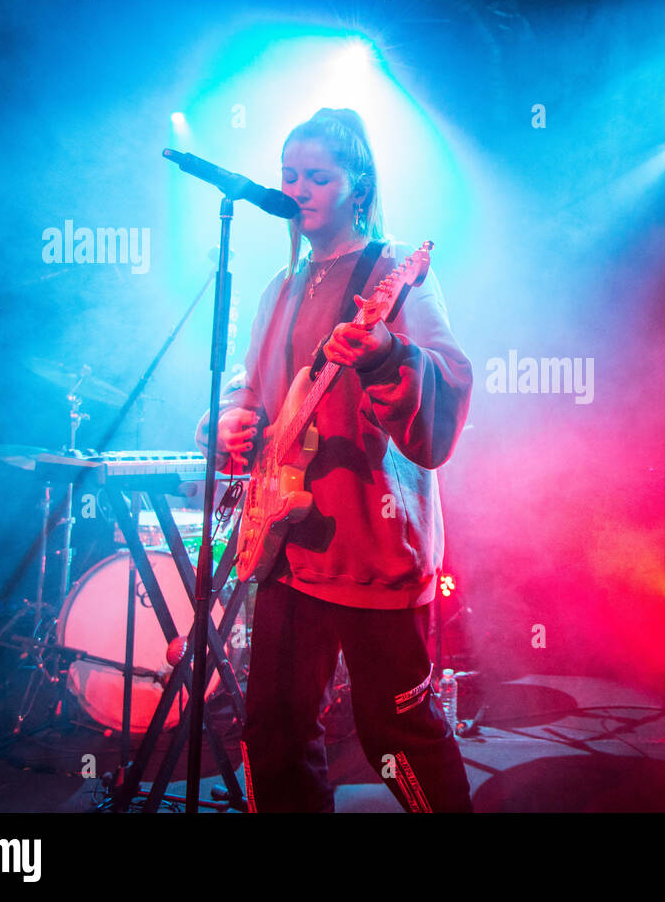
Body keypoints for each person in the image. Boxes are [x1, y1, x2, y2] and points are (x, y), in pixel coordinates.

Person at [195, 107, 474, 812]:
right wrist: (229, 425)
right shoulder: (279, 289)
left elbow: (447, 384)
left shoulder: (394, 272)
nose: (299, 189)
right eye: (290, 176)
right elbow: (253, 396)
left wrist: (384, 356)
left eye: (319, 176)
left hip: (371, 544)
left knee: (393, 734)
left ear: (360, 186)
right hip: (287, 547)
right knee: (274, 732)